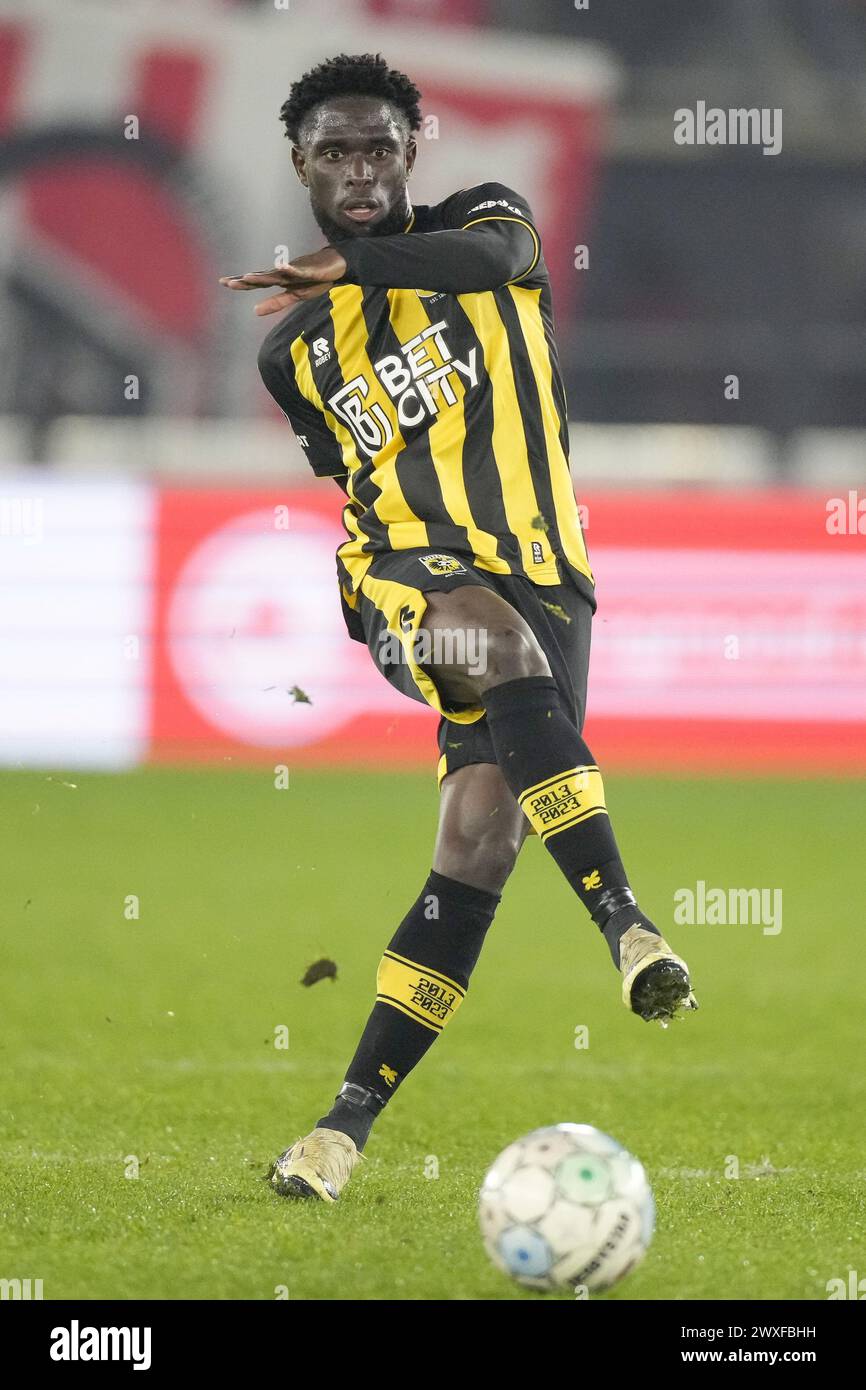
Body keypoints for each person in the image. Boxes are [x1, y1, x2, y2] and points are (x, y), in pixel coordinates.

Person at [221, 52, 696, 1204]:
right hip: (402, 571)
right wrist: (337, 288)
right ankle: (627, 924)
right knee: (480, 634)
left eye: (378, 146)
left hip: (546, 576)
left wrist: (358, 264)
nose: (360, 168)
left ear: (410, 150)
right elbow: (351, 473)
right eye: (334, 151)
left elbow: (489, 264)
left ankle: (336, 1132)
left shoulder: (489, 222)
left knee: (478, 838)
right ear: (300, 163)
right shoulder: (292, 350)